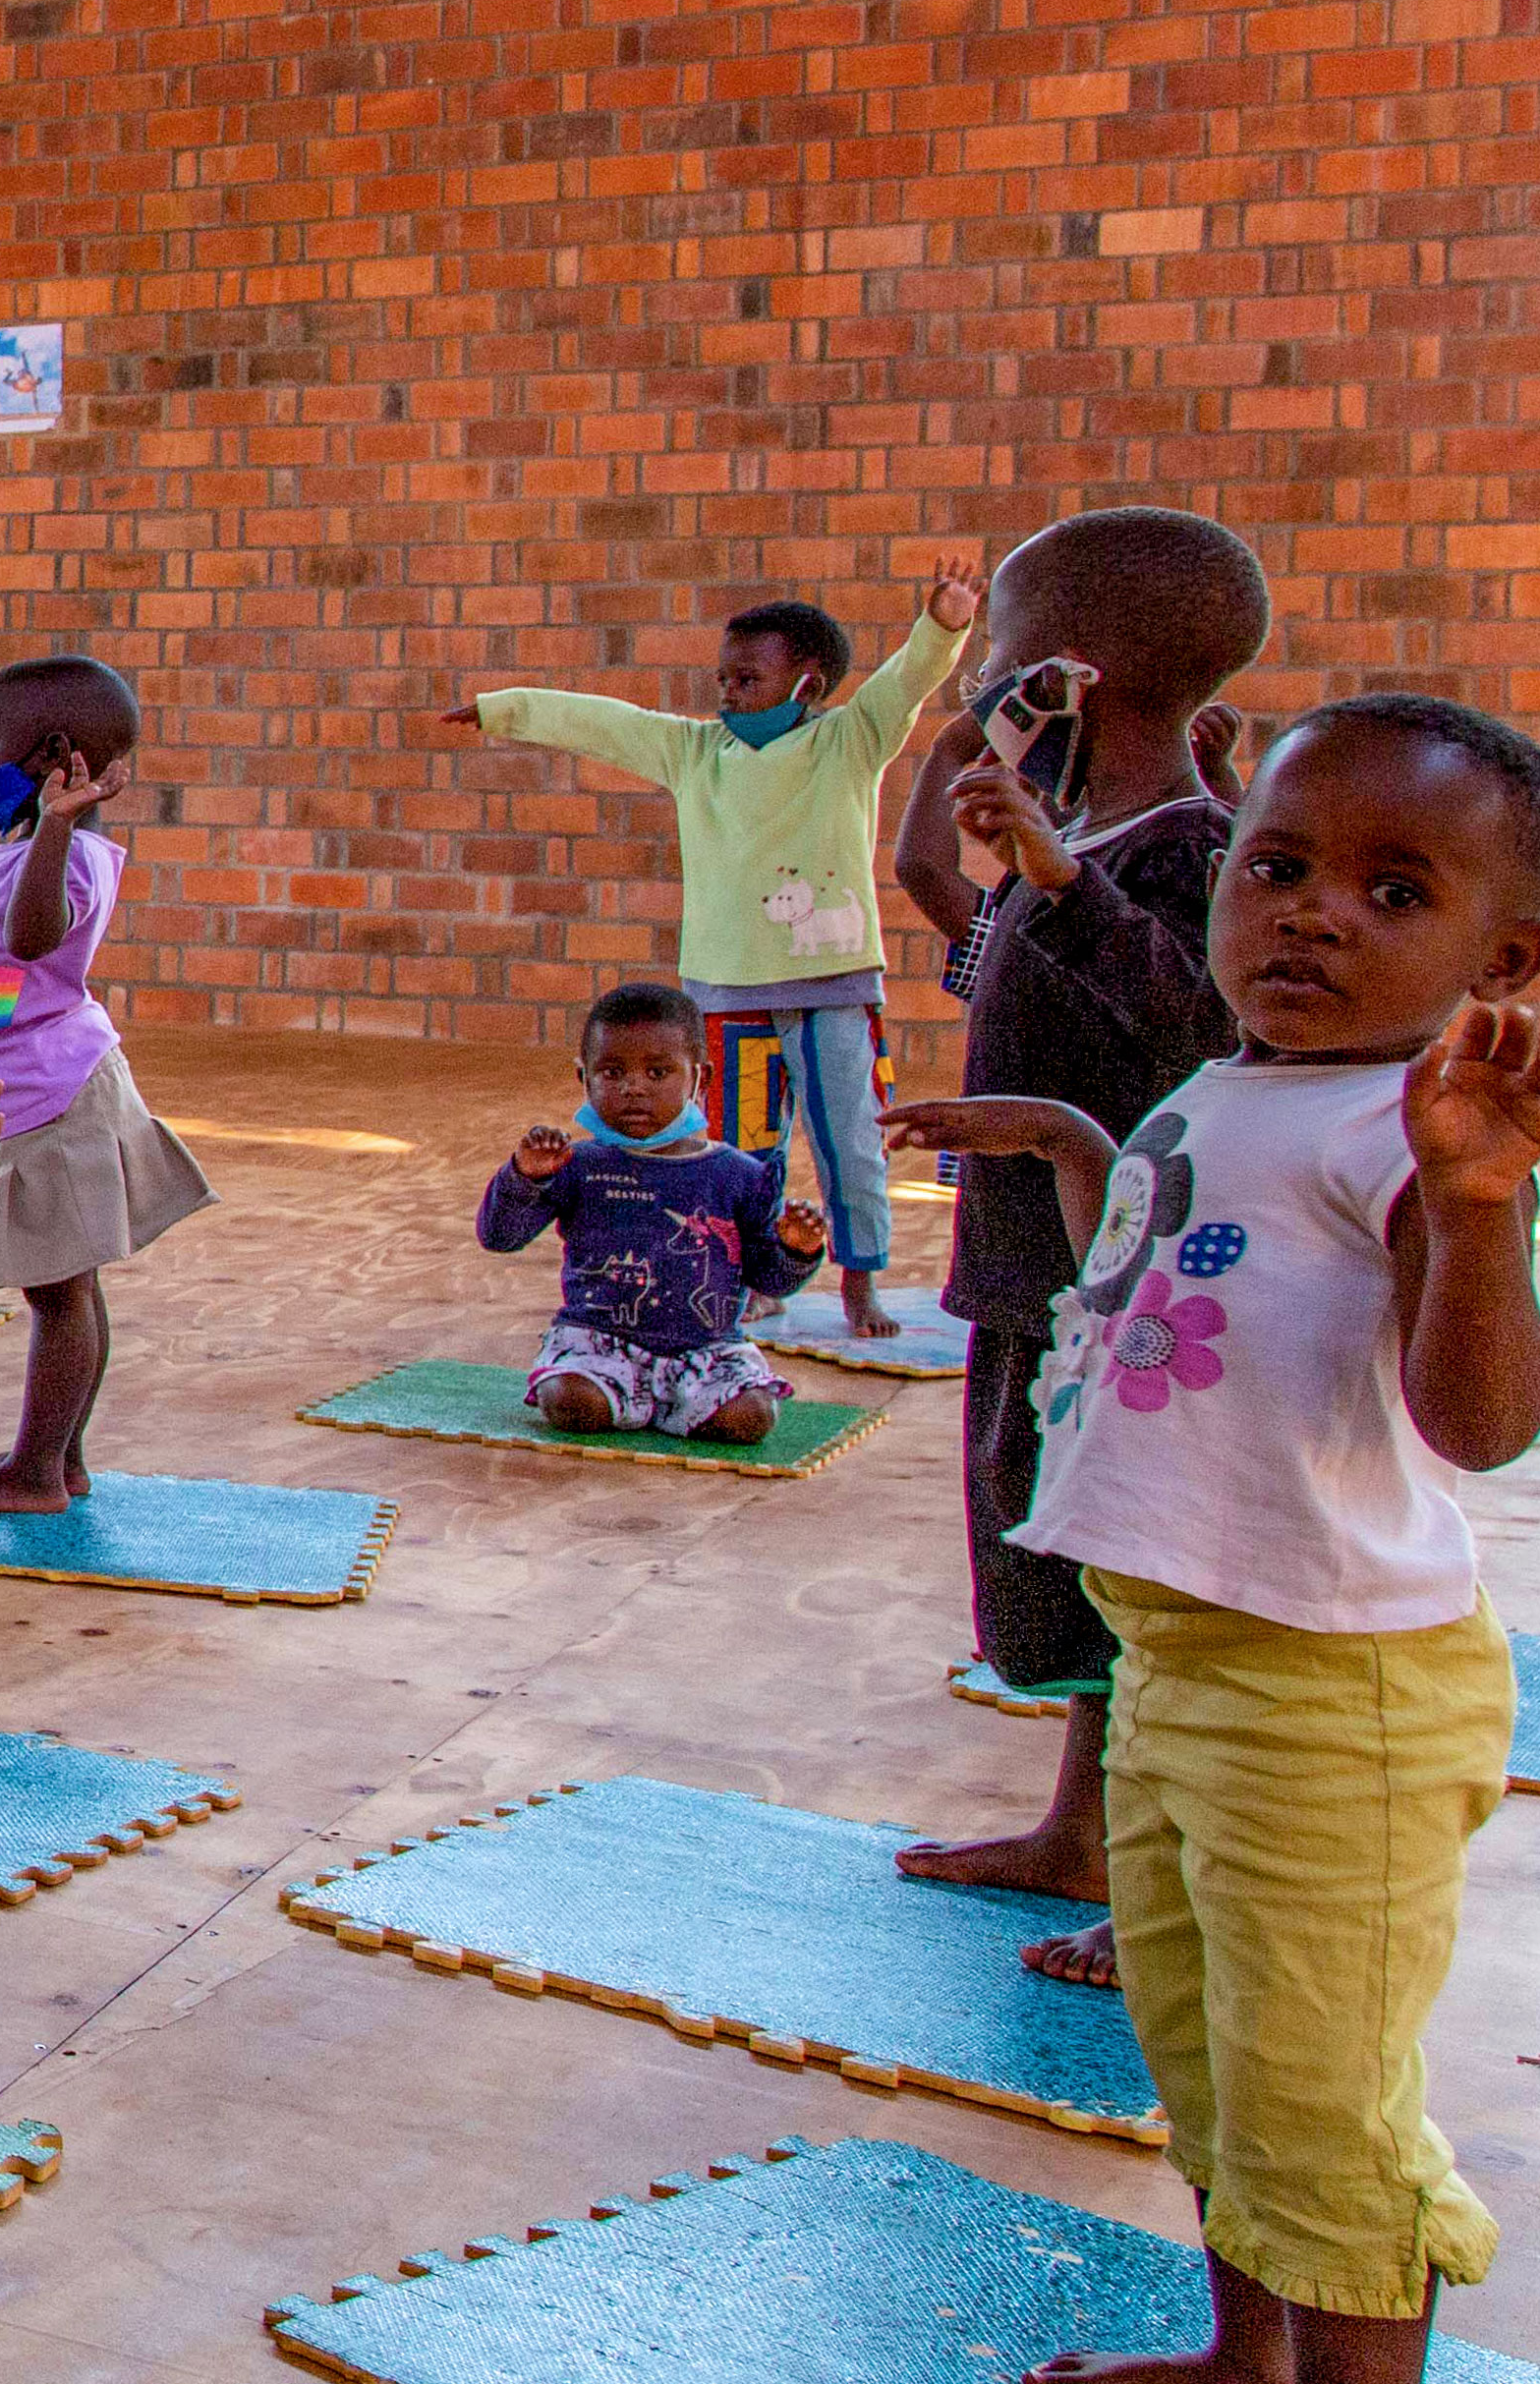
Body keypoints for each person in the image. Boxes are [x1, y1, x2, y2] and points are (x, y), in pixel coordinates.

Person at [885, 695, 1540, 2384]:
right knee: (1207, 2062)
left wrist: (1478, 1199)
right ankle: (1247, 2362)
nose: (1310, 915)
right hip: (1186, 1674)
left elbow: (1481, 1418)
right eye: (1278, 868)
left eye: (1391, 888)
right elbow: (1170, 1239)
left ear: (1498, 960)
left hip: (1335, 1702)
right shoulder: (1227, 1085)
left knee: (1322, 2102)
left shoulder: (1415, 1123)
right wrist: (1053, 1133)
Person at [880, 508, 1270, 1977]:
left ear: (1066, 675)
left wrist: (1055, 872)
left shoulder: (1193, 849)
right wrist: (954, 776)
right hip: (1028, 1263)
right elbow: (947, 913)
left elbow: (1195, 1016)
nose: (980, 675)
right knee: (1053, 1553)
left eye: (995, 658)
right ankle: (1082, 1830)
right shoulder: (1078, 837)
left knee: (1131, 1577)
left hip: (1121, 1274)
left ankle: (1151, 1879)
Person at [446, 567, 970, 1335]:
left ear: (808, 682)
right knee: (743, 1151)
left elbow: (907, 681)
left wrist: (944, 627)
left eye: (748, 679)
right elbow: (606, 723)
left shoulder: (850, 741)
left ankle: (861, 1282)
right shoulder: (696, 753)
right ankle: (760, 1278)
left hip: (835, 986)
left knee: (851, 1143)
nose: (727, 693)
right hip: (727, 993)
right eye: (722, 678)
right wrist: (506, 708)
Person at [0, 653, 206, 1516]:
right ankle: (59, 1455)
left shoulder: (69, 856)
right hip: (41, 1095)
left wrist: (51, 828)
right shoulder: (37, 846)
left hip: (57, 1103)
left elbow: (34, 936)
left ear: (50, 755)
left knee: (58, 1294)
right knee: (71, 1287)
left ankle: (38, 1472)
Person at [479, 985, 827, 1445]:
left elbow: (771, 1279)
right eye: (612, 1072)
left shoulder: (741, 1175)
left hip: (708, 1349)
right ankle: (637, 1401)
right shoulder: (578, 1166)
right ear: (584, 1078)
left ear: (699, 1079)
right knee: (569, 1399)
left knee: (752, 1417)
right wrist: (524, 1177)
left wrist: (797, 1249)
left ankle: (665, 1402)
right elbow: (499, 1236)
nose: (634, 1087)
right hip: (598, 1345)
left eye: (658, 1072)